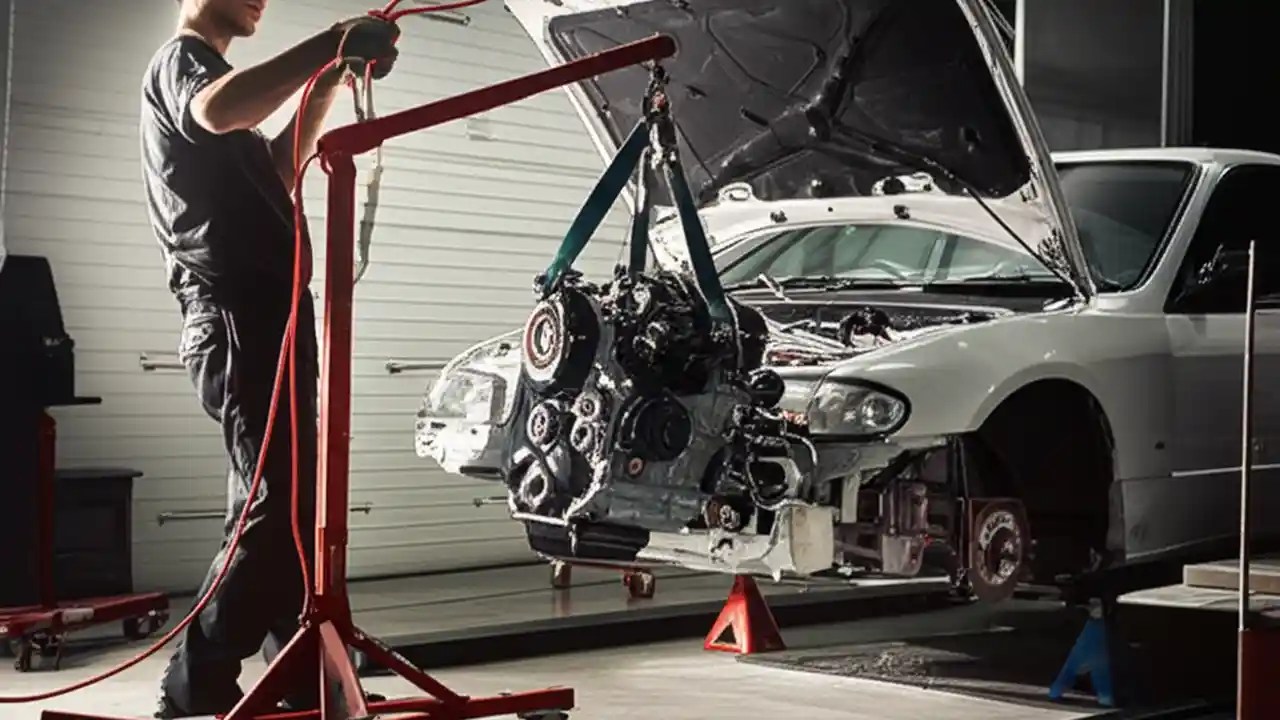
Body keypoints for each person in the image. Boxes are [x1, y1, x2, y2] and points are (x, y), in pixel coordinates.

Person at [139, 1, 398, 716]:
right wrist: (331, 41)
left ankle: (302, 677)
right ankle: (193, 692)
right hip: (238, 316)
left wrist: (329, 78)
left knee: (289, 506)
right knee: (274, 506)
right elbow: (218, 109)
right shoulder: (184, 61)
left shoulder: (220, 89)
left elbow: (281, 168)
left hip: (269, 317)